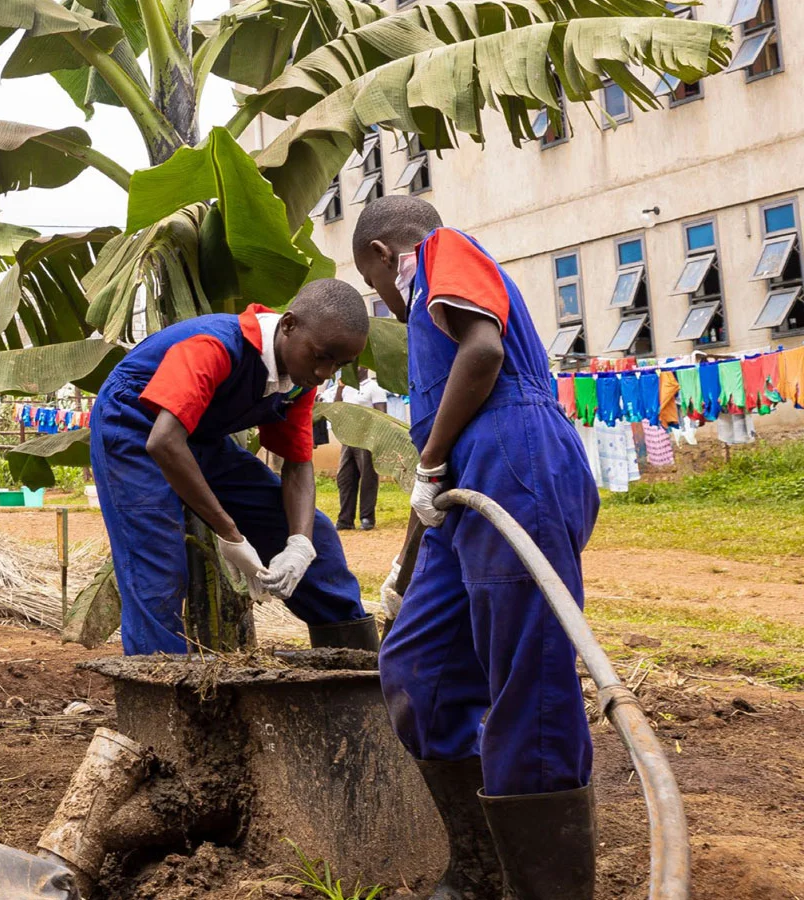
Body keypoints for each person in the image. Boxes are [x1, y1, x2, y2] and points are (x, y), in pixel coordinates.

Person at [352, 196, 600, 900]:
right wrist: (404, 566)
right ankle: (481, 869)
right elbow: (438, 458)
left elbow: (485, 351)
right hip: (467, 485)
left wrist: (431, 460)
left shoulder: (439, 251)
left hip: (517, 464)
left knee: (530, 678)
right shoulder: (429, 310)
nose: (387, 308)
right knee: (419, 667)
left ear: (380, 257)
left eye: (376, 292)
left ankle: (547, 889)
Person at [88, 279, 379, 656]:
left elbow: (297, 463)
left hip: (198, 438)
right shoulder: (215, 346)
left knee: (318, 535)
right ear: (288, 325)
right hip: (132, 427)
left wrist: (300, 544)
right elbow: (163, 442)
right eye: (321, 356)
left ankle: (352, 664)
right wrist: (231, 535)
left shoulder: (297, 379)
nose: (325, 373)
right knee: (157, 566)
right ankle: (163, 695)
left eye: (339, 364)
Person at [318, 367, 388, 530]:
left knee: (367, 478)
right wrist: (340, 389)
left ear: (365, 368)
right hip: (347, 439)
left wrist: (376, 438)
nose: (355, 368)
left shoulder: (374, 387)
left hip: (366, 438)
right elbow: (337, 408)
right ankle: (345, 520)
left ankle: (367, 518)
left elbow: (382, 414)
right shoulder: (346, 388)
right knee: (345, 478)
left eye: (359, 364)